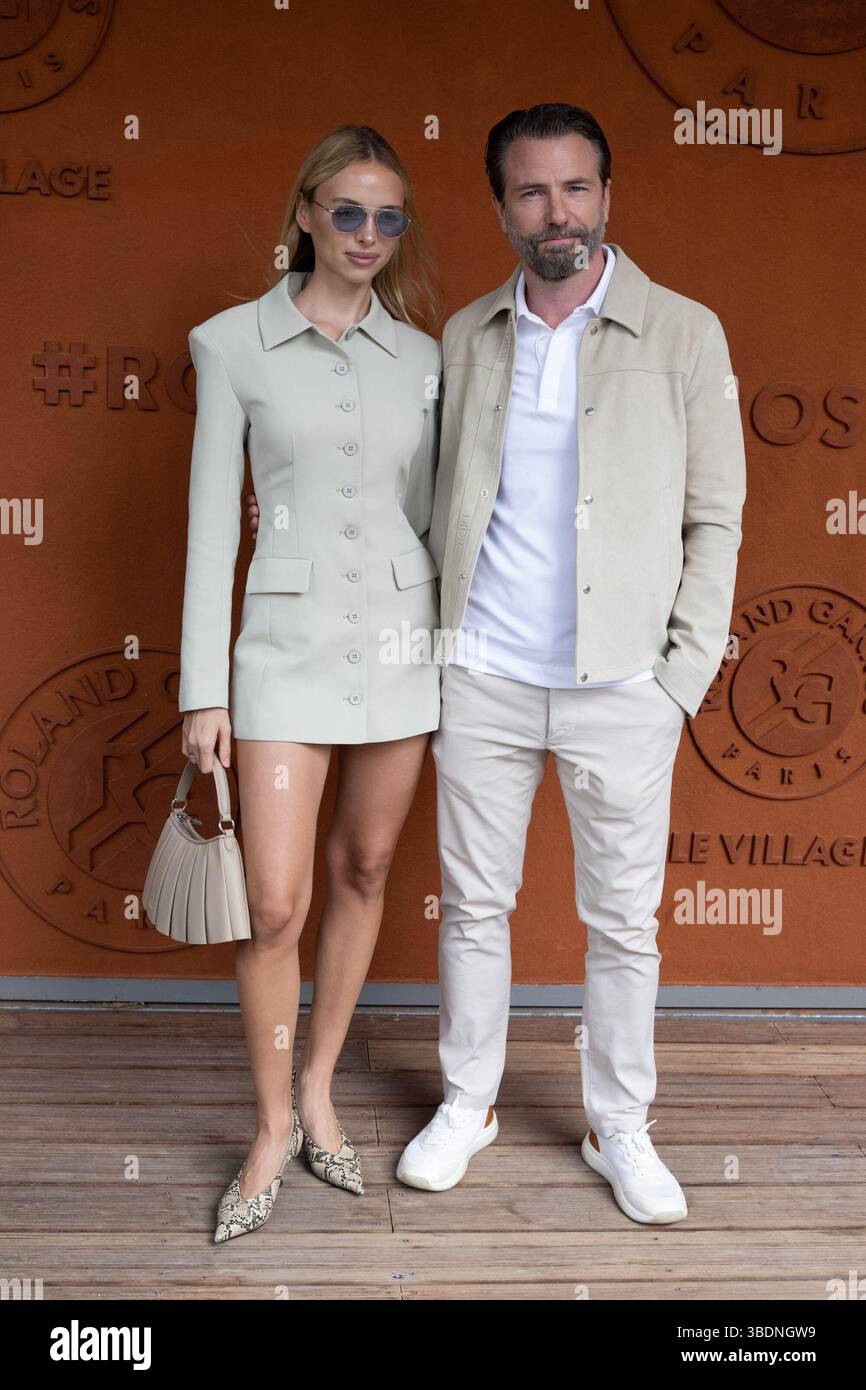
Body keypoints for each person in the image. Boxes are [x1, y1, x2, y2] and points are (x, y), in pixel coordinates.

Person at [246, 102, 747, 1227]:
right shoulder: (464, 338)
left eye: (574, 188)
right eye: (529, 191)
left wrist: (680, 676)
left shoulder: (684, 334)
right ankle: (465, 1101)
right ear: (500, 208)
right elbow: (416, 509)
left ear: (606, 198)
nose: (553, 211)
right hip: (480, 674)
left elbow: (715, 518)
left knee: (623, 923)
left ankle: (619, 1124)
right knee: (474, 902)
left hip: (624, 683)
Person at [178, 124, 443, 1242]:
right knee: (274, 899)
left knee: (367, 863)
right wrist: (202, 688)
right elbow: (206, 530)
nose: (369, 236)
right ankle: (272, 1120)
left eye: (388, 217)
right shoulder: (229, 343)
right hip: (279, 648)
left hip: (400, 643)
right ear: (305, 212)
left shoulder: (428, 358)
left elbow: (438, 517)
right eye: (348, 212)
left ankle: (323, 1085)